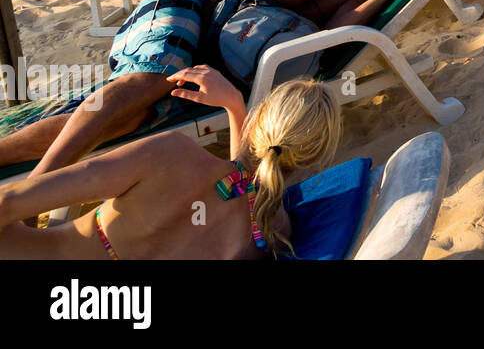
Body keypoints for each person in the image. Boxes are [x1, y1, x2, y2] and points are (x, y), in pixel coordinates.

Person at [0, 0, 417, 178]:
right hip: (197, 6)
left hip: (222, 51)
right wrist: (194, 49)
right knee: (148, 82)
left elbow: (330, 36)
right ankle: (40, 186)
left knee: (138, 114)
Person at [0, 76, 341, 259]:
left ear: (261, 116)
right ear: (311, 159)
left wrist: (236, 105)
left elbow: (9, 203)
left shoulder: (170, 155)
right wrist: (235, 109)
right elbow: (238, 184)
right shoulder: (272, 233)